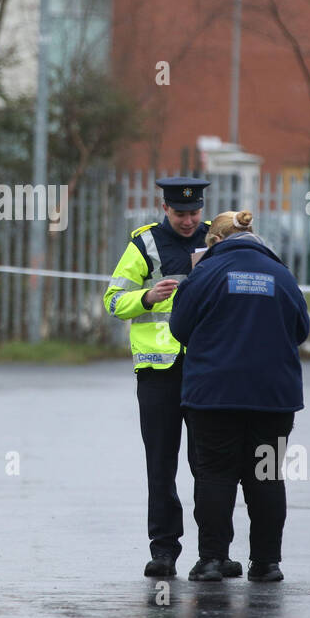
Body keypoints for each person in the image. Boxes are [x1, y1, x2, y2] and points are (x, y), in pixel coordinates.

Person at [104, 177, 238, 579]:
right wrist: (145, 297)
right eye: (180, 213)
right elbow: (113, 300)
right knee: (161, 465)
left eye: (194, 212)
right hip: (158, 374)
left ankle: (214, 553)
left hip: (203, 370)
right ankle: (163, 550)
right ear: (164, 208)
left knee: (208, 466)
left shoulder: (217, 240)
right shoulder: (143, 245)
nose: (187, 220)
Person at [169, 210, 310, 583]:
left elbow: (179, 327)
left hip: (215, 395)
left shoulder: (206, 273)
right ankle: (266, 564)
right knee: (266, 476)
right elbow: (301, 328)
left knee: (215, 474)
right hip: (273, 396)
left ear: (214, 242)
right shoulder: (281, 274)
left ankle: (213, 560)